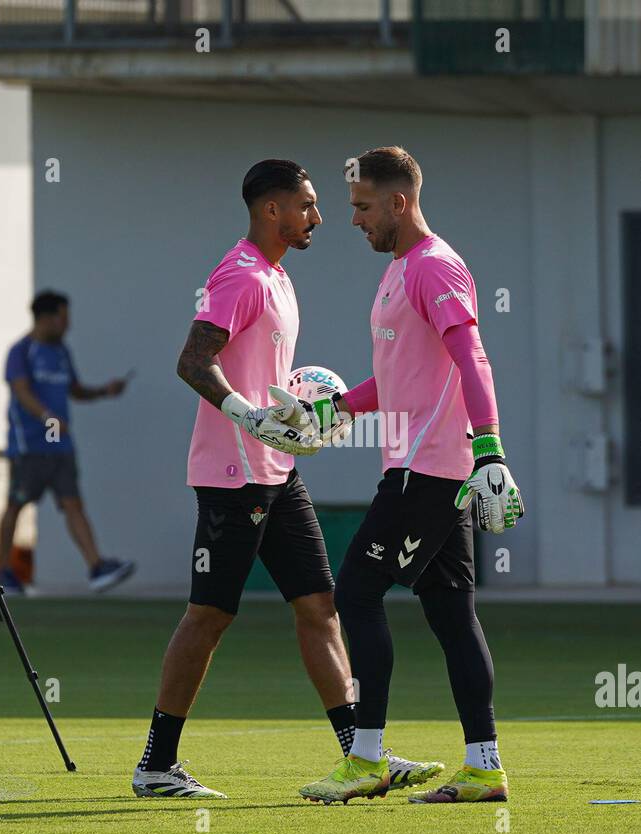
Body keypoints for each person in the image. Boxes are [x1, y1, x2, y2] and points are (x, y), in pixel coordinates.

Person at [130, 159, 442, 799]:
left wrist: (301, 421)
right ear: (271, 209)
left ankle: (363, 755)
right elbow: (192, 361)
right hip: (232, 477)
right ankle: (156, 765)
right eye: (306, 205)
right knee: (210, 615)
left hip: (277, 472)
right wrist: (250, 418)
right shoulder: (240, 275)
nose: (320, 218)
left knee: (320, 608)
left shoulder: (278, 278)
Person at [298, 147, 525, 804]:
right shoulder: (401, 271)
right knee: (452, 613)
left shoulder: (435, 267)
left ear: (399, 202)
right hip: (423, 465)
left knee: (356, 595)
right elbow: (401, 378)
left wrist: (491, 450)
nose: (353, 219)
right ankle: (484, 767)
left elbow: (472, 357)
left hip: (426, 471)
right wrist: (338, 406)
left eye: (363, 206)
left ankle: (367, 757)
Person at [0, 290, 135, 594]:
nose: (67, 325)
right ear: (45, 318)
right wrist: (48, 417)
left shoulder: (61, 352)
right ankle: (3, 571)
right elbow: (21, 392)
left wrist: (104, 391)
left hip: (60, 447)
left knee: (73, 504)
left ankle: (97, 567)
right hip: (29, 447)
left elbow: (75, 390)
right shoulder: (21, 351)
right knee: (16, 504)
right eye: (63, 318)